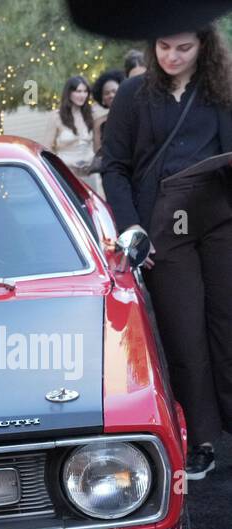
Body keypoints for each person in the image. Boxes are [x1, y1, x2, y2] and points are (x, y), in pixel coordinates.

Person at [101, 26, 232, 477]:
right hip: (161, 224)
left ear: (204, 48)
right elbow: (114, 166)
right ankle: (201, 438)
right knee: (183, 333)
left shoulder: (221, 90)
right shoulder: (135, 93)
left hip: (220, 220)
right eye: (163, 47)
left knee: (227, 323)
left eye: (184, 48)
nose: (172, 57)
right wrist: (131, 228)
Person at [43, 75, 103, 194]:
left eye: (85, 91)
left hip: (90, 173)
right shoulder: (56, 116)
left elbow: (99, 146)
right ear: (69, 93)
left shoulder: (92, 114)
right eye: (78, 91)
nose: (82, 95)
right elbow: (47, 148)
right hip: (67, 174)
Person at [91, 68, 125, 153]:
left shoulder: (132, 117)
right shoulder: (98, 123)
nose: (111, 95)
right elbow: (97, 151)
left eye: (114, 91)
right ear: (102, 99)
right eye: (107, 93)